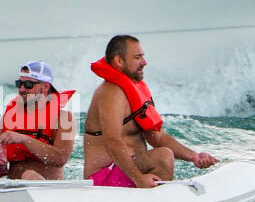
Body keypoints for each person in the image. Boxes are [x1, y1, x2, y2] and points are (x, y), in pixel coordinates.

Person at [83, 35, 218, 188]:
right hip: (101, 180)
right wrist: (139, 179)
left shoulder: (134, 90)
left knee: (164, 153)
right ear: (119, 61)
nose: (144, 62)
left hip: (125, 171)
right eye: (138, 57)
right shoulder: (110, 92)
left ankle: (154, 201)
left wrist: (194, 156)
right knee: (163, 156)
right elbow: (112, 141)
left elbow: (156, 137)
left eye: (143, 56)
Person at [0, 61, 76, 180]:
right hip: (14, 188)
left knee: (29, 175)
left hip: (47, 190)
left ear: (45, 87)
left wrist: (24, 139)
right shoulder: (8, 118)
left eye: (28, 84)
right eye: (19, 83)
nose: (21, 89)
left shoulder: (65, 119)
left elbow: (61, 158)